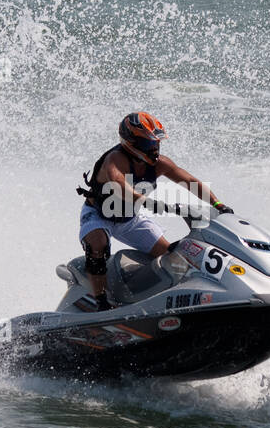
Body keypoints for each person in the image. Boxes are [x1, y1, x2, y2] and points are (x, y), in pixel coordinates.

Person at [75, 112, 232, 310]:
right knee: (98, 245)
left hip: (129, 220)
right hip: (98, 216)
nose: (154, 149)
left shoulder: (160, 164)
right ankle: (101, 303)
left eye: (156, 143)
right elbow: (119, 185)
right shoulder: (115, 160)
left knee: (172, 258)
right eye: (148, 144)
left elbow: (191, 183)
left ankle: (172, 299)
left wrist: (218, 205)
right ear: (131, 142)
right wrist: (147, 201)